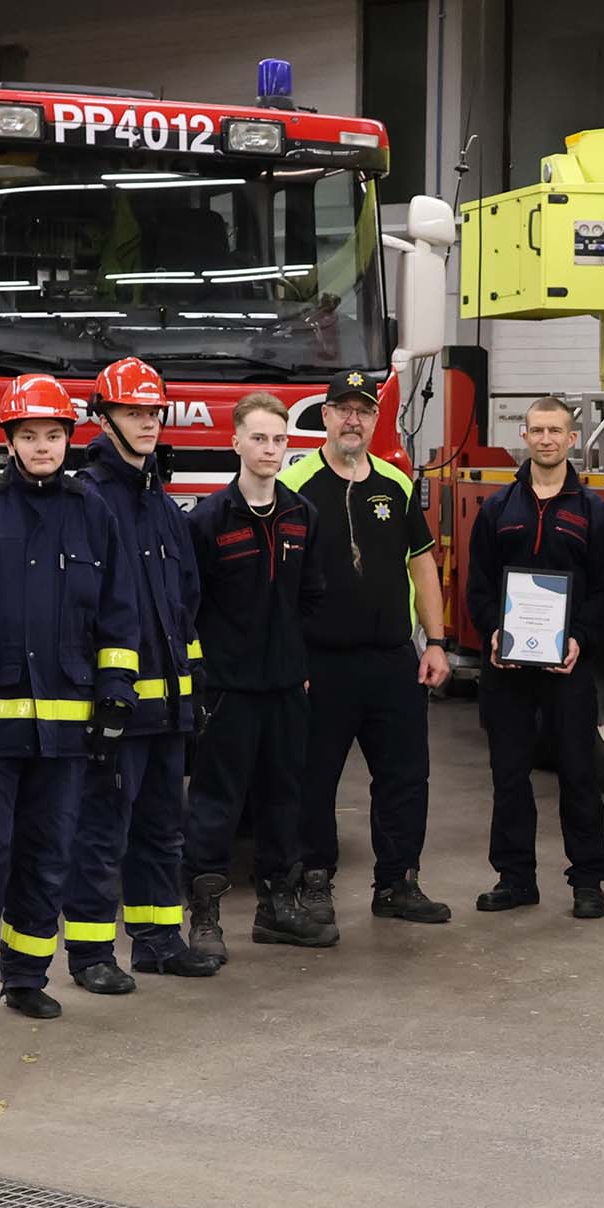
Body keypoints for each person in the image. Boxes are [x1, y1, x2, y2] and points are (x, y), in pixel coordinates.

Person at [0, 374, 140, 1028]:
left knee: (49, 855)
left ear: (69, 439)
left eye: (52, 434)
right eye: (29, 435)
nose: (42, 446)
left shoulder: (92, 512)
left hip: (68, 732)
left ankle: (25, 977)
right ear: (10, 441)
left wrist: (115, 694)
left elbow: (118, 614)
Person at [278, 370, 452, 931]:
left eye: (364, 410)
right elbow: (279, 582)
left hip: (392, 659)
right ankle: (314, 883)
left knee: (405, 777)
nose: (353, 420)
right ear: (325, 416)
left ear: (376, 420)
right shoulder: (295, 485)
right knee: (314, 779)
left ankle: (398, 883)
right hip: (320, 663)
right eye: (344, 409)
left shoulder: (395, 484)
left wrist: (436, 642)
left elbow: (421, 562)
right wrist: (290, 659)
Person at [61, 358, 214, 994]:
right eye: (133, 412)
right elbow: (80, 609)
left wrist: (193, 682)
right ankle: (92, 951)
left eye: (154, 412)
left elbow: (186, 601)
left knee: (161, 829)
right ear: (103, 419)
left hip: (168, 705)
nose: (148, 423)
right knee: (102, 832)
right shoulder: (88, 499)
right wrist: (102, 693)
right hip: (118, 705)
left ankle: (158, 941)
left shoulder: (162, 502)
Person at [183, 391, 335, 966]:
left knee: (283, 799)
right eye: (259, 438)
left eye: (279, 439)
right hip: (228, 691)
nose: (270, 449)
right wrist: (211, 671)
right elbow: (190, 606)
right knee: (216, 804)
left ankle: (277, 908)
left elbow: (312, 597)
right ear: (236, 442)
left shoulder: (302, 516)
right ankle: (205, 918)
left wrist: (292, 658)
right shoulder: (207, 520)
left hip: (286, 689)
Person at [465, 395, 604, 919]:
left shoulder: (594, 512)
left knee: (578, 773)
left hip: (567, 666)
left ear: (572, 438)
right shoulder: (497, 508)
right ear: (525, 437)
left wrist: (580, 639)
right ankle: (515, 879)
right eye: (537, 430)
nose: (546, 439)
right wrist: (493, 634)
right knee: (509, 775)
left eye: (556, 430)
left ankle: (588, 881)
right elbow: (479, 586)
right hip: (506, 668)